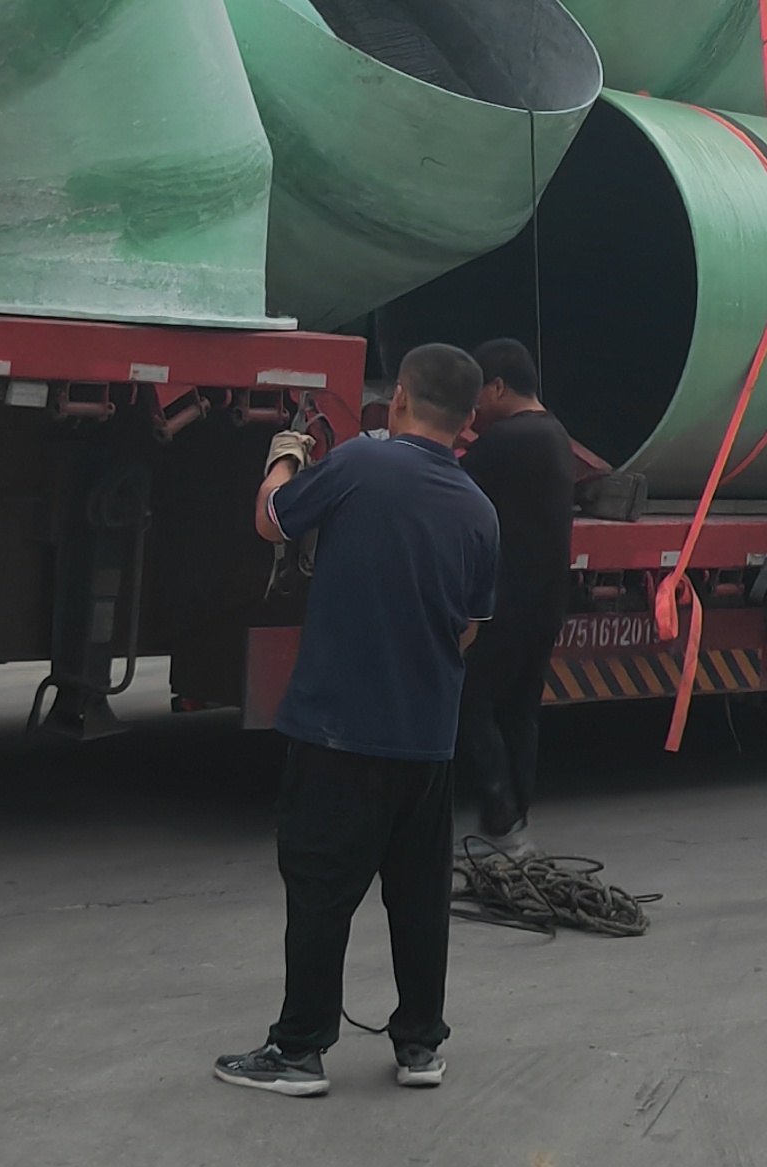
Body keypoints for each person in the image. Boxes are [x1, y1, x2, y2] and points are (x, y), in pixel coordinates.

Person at [215, 341, 499, 1098]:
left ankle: (299, 1050)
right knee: (419, 895)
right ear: (468, 419)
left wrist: (285, 459)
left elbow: (272, 522)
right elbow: (469, 628)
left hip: (338, 729)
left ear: (399, 397)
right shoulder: (479, 510)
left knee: (319, 887)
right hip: (427, 740)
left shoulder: (360, 464)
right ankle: (420, 1046)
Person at [455, 337, 578, 849]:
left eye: (477, 395)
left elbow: (447, 483)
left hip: (506, 602)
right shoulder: (554, 433)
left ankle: (501, 811)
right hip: (545, 601)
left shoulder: (508, 440)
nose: (474, 410)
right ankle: (515, 818)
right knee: (520, 709)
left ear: (499, 387)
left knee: (468, 698)